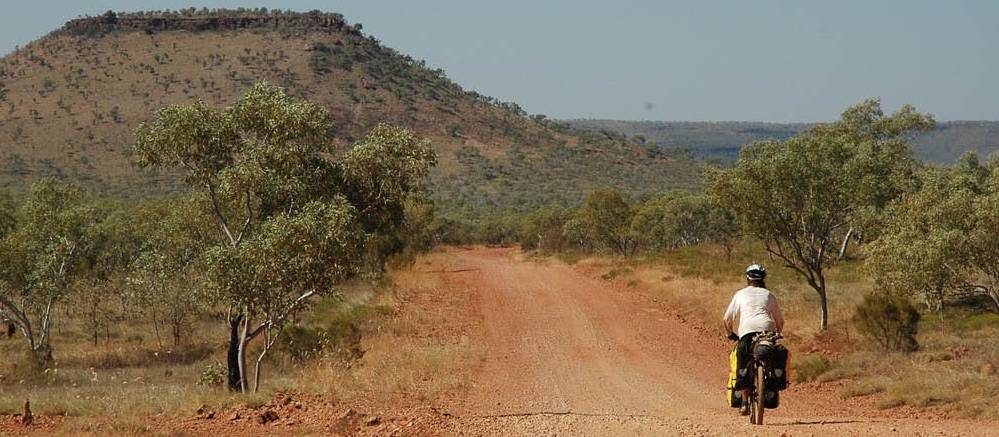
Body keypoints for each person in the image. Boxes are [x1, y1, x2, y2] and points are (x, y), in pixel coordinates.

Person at [723, 264, 784, 415]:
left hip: (747, 331)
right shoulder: (769, 295)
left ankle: (744, 402)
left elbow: (727, 318)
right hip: (766, 330)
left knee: (743, 363)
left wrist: (730, 333)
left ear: (747, 278)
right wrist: (777, 333)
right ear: (763, 278)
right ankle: (769, 385)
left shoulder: (740, 294)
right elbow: (780, 321)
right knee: (770, 355)